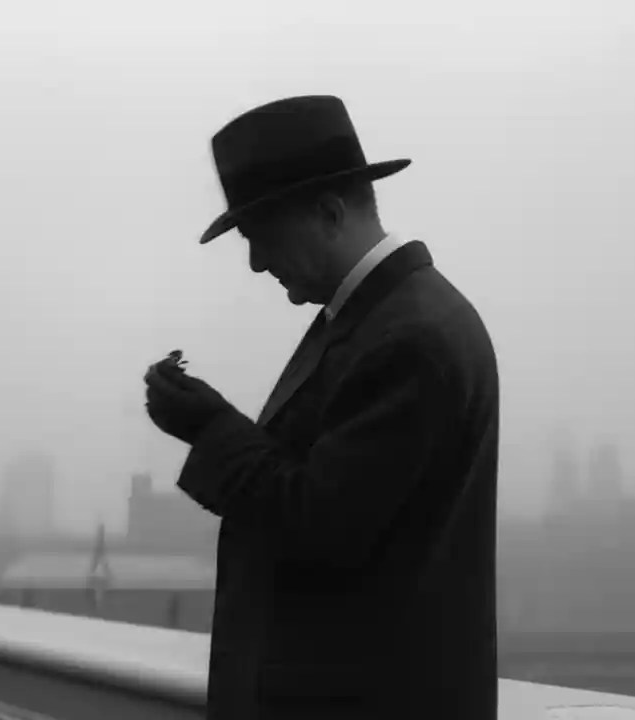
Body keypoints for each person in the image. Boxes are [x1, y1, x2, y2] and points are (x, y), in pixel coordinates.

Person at [144, 95, 499, 720]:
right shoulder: (384, 318)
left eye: (261, 237)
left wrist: (208, 427)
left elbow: (317, 526)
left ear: (329, 213)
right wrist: (214, 423)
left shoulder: (408, 338)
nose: (256, 263)